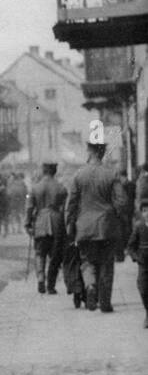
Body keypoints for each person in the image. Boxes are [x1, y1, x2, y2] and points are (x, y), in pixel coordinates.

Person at [65, 132, 128, 313]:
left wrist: (70, 225)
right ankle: (105, 303)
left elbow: (71, 205)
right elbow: (122, 201)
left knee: (87, 262)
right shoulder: (111, 173)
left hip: (84, 227)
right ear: (102, 153)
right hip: (107, 226)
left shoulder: (78, 175)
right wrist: (117, 215)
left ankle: (90, 286)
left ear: (89, 151)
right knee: (107, 264)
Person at [25, 162, 66, 295]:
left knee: (39, 253)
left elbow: (30, 208)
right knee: (55, 256)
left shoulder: (35, 188)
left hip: (40, 222)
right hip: (57, 223)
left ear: (43, 171)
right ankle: (51, 285)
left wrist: (28, 223)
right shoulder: (61, 188)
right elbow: (65, 209)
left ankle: (41, 278)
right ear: (54, 171)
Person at [123, 204, 148, 328]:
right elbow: (130, 247)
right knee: (143, 288)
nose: (147, 213)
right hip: (144, 263)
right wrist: (137, 258)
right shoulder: (139, 227)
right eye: (144, 211)